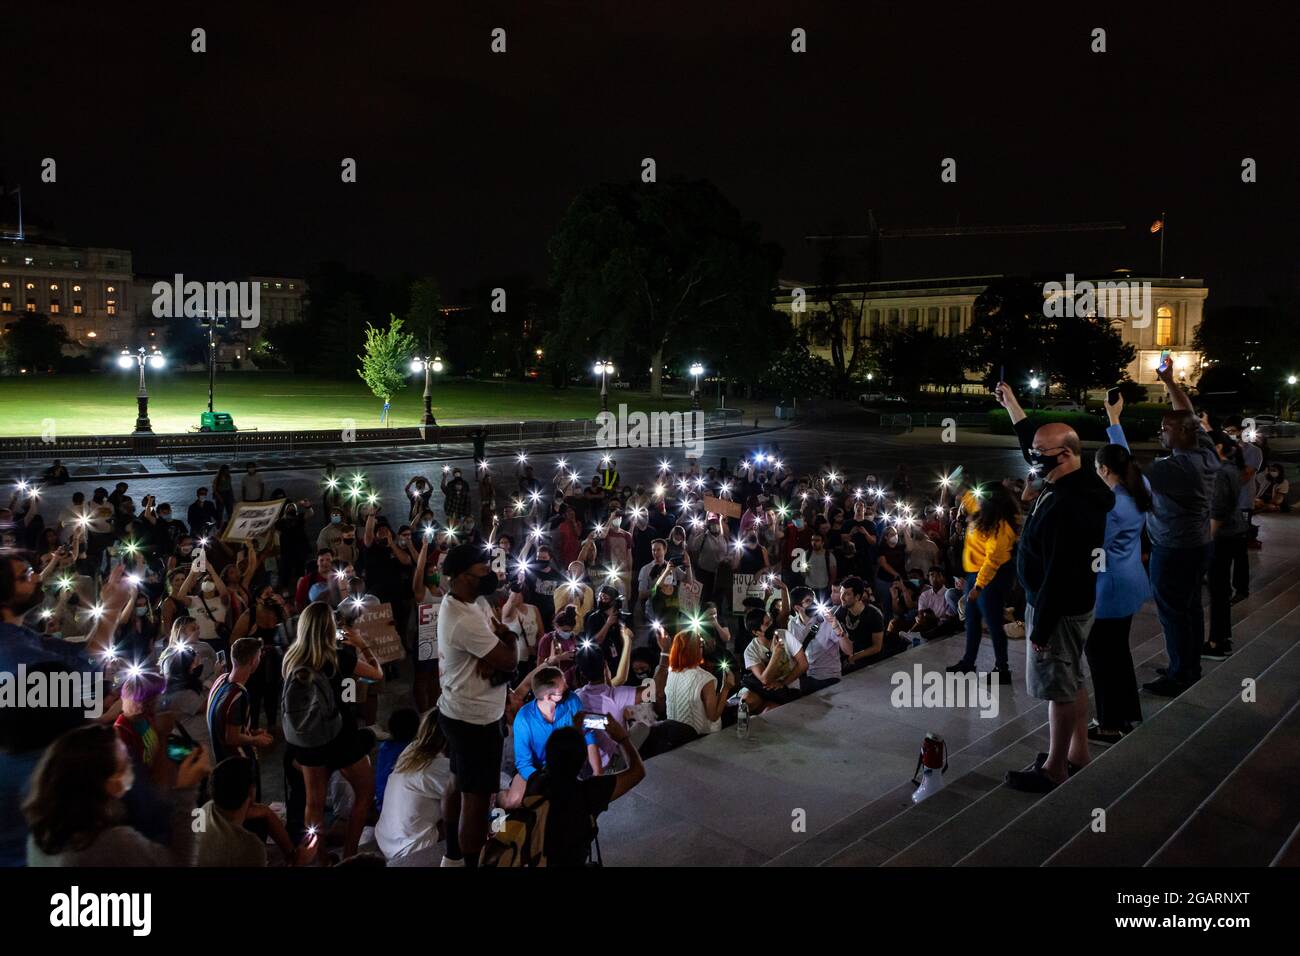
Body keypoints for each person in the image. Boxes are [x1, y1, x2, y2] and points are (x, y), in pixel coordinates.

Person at [997, 380, 1113, 793]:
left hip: (1058, 609)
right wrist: (1012, 404)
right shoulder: (1071, 480)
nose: (1032, 462)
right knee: (1073, 679)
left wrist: (1040, 630)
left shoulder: (1071, 503)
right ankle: (1078, 753)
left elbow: (1061, 573)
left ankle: (1054, 768)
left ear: (1066, 455)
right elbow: (1034, 439)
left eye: (1039, 457)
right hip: (1070, 604)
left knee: (1058, 689)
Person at [435, 542, 519, 867]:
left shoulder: (470, 603)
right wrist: (508, 637)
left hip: (460, 710)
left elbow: (495, 652)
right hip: (475, 721)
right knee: (477, 799)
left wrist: (497, 646)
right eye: (483, 571)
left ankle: (452, 857)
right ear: (462, 576)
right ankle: (470, 861)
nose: (492, 575)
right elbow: (509, 660)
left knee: (458, 782)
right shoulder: (462, 618)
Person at [1140, 362, 1220, 696]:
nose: (1161, 432)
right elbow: (1185, 411)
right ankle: (1189, 664)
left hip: (1173, 550)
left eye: (1165, 428)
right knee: (1188, 608)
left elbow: (1121, 476)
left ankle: (1178, 674)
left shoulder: (1175, 468)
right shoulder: (1204, 452)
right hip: (1198, 544)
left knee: (1173, 612)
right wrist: (1169, 381)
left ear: (1183, 433)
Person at [281, 602, 383, 860]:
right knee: (365, 791)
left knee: (313, 803)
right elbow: (377, 675)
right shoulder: (340, 657)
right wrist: (362, 644)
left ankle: (322, 858)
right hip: (341, 736)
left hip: (307, 741)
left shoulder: (291, 658)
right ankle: (349, 854)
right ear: (330, 627)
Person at [25, 723, 208, 866]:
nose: (131, 768)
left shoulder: (40, 837)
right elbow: (181, 862)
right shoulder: (110, 842)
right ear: (102, 783)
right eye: (124, 765)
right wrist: (188, 790)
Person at [520, 719, 645, 867]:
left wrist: (573, 735)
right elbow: (638, 771)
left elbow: (559, 758)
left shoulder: (535, 783)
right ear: (584, 761)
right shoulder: (589, 792)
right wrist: (623, 738)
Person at [945, 480, 1019, 682]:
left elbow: (992, 561)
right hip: (974, 575)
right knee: (971, 621)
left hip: (992, 577)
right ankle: (968, 663)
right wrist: (958, 486)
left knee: (994, 623)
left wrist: (978, 586)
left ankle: (1002, 669)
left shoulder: (1002, 528)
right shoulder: (983, 513)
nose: (978, 498)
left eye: (983, 495)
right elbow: (968, 499)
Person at [196, 756, 316, 867]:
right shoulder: (250, 847)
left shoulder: (205, 809)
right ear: (251, 791)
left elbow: (263, 812)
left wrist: (267, 812)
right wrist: (299, 863)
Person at [504, 666, 598, 807]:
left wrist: (598, 772)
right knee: (512, 803)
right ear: (548, 697)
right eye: (562, 687)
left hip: (566, 767)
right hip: (535, 770)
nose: (567, 686)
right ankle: (499, 796)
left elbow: (588, 736)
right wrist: (545, 782)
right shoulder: (524, 718)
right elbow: (523, 763)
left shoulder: (572, 701)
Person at [375, 708, 452, 865]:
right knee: (474, 828)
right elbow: (475, 789)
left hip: (386, 840)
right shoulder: (437, 767)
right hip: (409, 851)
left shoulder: (411, 750)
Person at [1206, 431, 1248, 661]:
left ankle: (1216, 643)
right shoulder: (1231, 469)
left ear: (1219, 447)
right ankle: (1221, 637)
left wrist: (1207, 539)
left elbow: (1218, 510)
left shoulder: (1222, 472)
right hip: (1233, 534)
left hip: (1222, 537)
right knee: (1220, 591)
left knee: (1218, 590)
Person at [664, 631, 734, 737]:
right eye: (701, 645)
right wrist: (726, 688)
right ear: (697, 650)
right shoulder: (705, 678)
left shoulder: (671, 673)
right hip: (699, 736)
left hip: (673, 733)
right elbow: (713, 716)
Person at [740, 608, 807, 712]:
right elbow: (765, 679)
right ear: (756, 632)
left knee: (770, 710)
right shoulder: (750, 650)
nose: (772, 625)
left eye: (771, 620)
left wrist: (783, 683)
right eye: (767, 624)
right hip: (764, 690)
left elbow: (803, 664)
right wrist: (776, 655)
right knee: (746, 701)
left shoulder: (784, 634)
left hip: (788, 689)